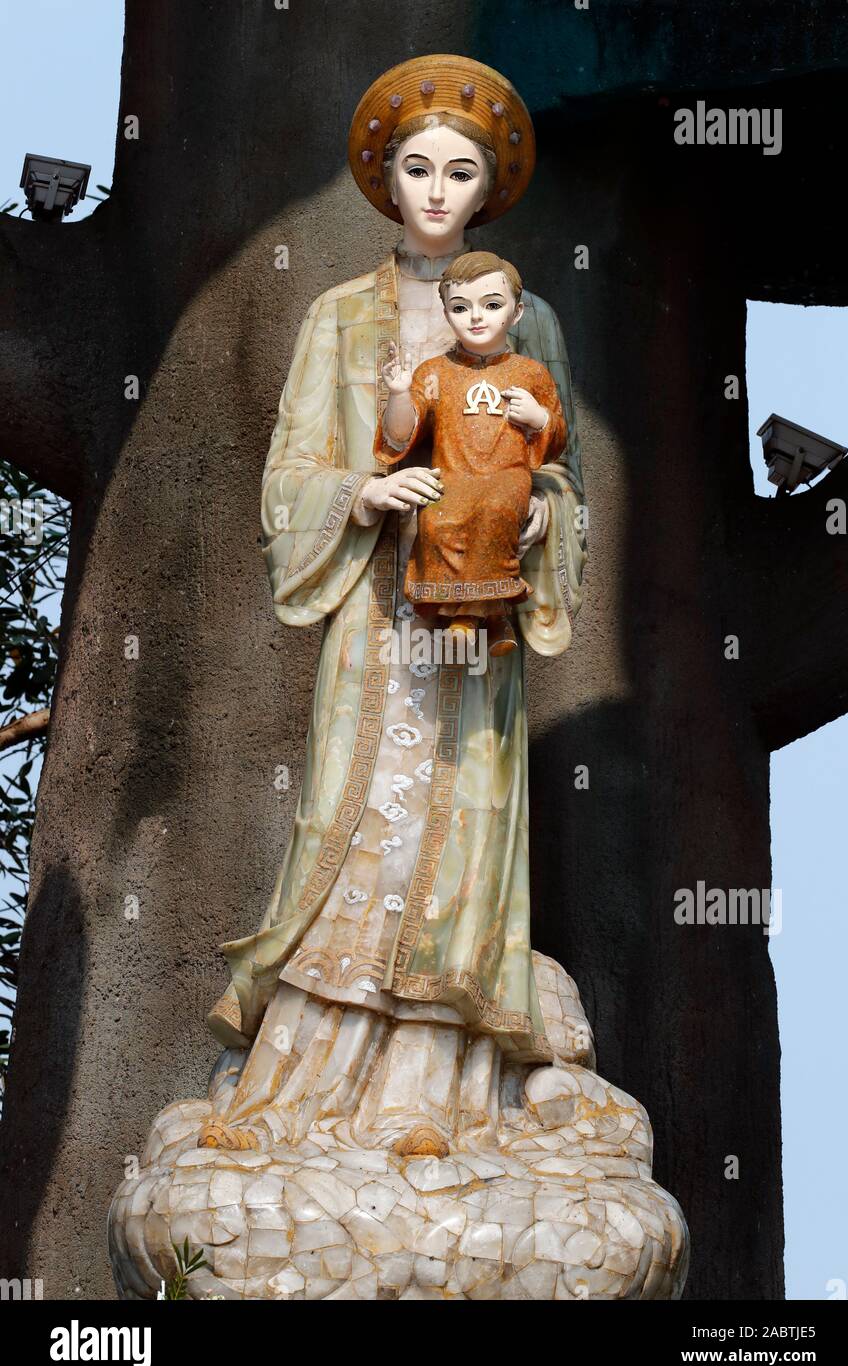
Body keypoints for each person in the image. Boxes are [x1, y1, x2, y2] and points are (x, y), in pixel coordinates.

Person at [200, 54, 589, 1155]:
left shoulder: (529, 320)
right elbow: (288, 477)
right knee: (354, 817)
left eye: (457, 172)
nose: (433, 190)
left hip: (483, 618)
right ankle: (298, 1086)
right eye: (415, 167)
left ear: (486, 190)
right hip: (377, 619)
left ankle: (439, 1095)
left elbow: (564, 482)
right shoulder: (338, 318)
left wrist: (537, 517)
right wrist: (362, 490)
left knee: (460, 827)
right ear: (385, 180)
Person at [376, 250, 568, 657]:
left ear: (516, 313)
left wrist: (537, 419)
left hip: (507, 476)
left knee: (497, 509)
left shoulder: (531, 373)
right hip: (453, 474)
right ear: (446, 313)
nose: (476, 317)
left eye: (492, 305)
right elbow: (400, 435)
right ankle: (490, 620)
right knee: (439, 517)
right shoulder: (434, 372)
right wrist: (397, 392)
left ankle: (467, 620)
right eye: (461, 307)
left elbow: (558, 437)